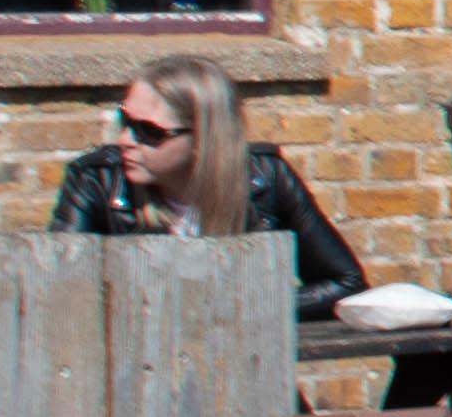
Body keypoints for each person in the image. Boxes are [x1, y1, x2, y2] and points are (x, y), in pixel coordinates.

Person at [49, 51, 368, 311]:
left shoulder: (266, 178)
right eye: (125, 122)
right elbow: (60, 293)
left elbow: (346, 283)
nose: (125, 140)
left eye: (149, 131)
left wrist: (243, 308)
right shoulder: (97, 180)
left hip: (248, 366)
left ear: (203, 139)